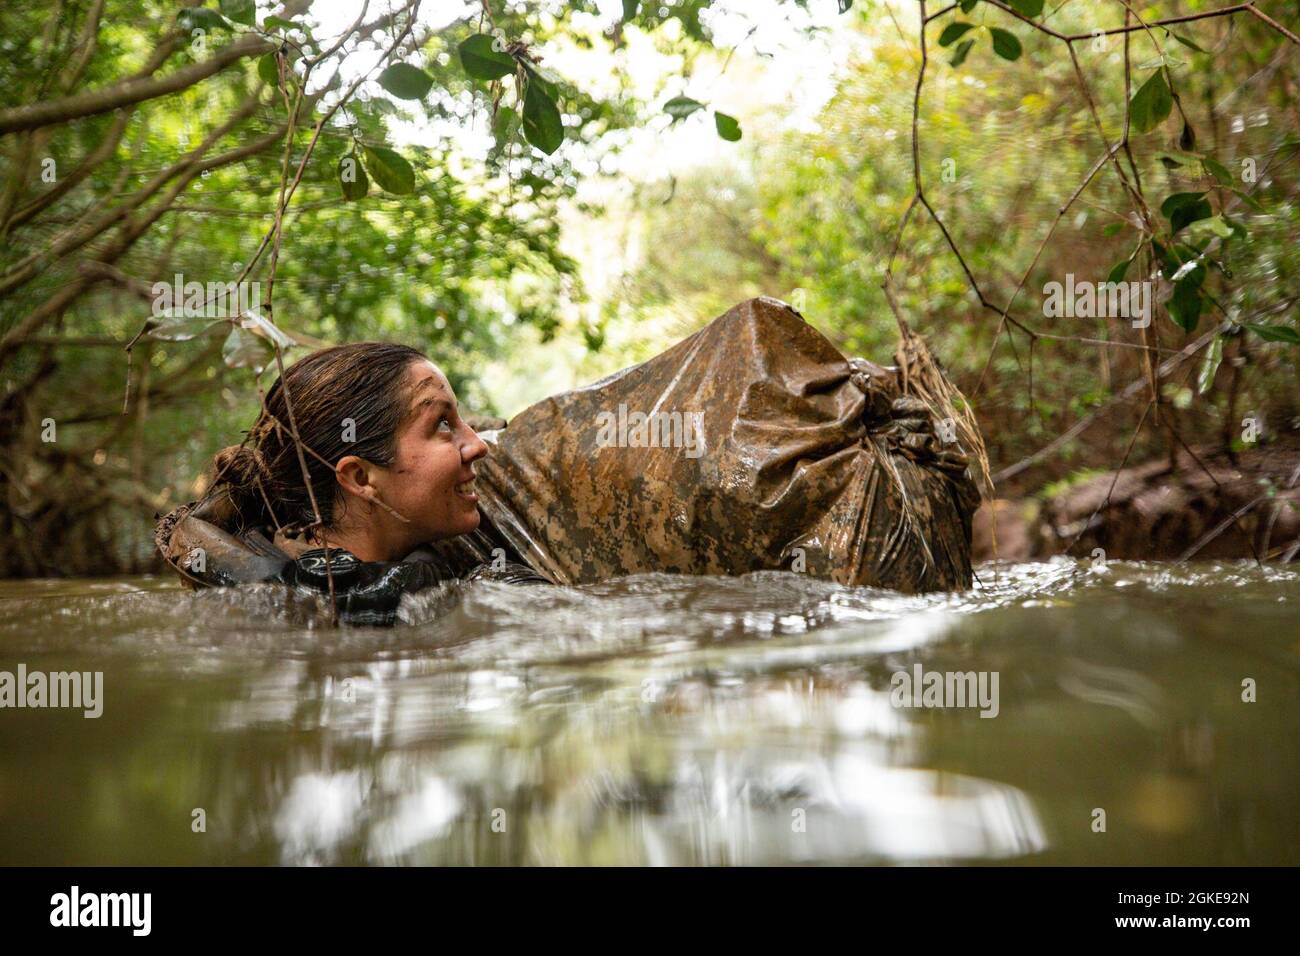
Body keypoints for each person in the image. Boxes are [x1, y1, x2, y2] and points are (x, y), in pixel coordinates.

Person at [158, 342, 546, 625]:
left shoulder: (442, 565)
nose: (478, 445)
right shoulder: (268, 613)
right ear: (360, 477)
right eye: (442, 424)